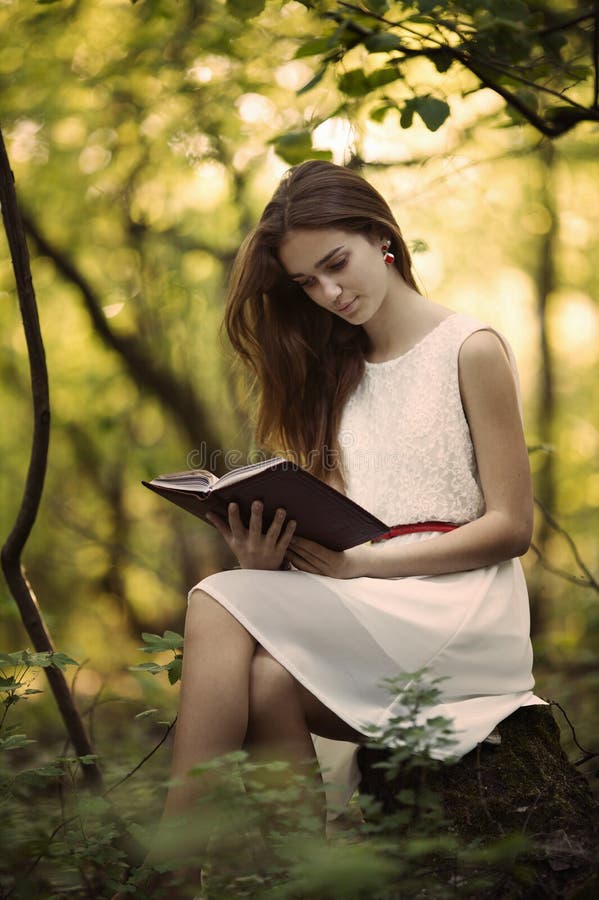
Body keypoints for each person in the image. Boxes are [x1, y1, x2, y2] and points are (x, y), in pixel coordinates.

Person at [142, 160, 545, 890]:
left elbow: (511, 527)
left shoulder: (471, 348)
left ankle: (169, 870)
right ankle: (311, 880)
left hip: (460, 606)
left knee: (210, 596)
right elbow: (340, 529)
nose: (329, 294)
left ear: (379, 236)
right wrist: (267, 563)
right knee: (264, 683)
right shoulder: (338, 376)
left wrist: (362, 568)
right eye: (307, 284)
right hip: (373, 602)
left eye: (336, 265)